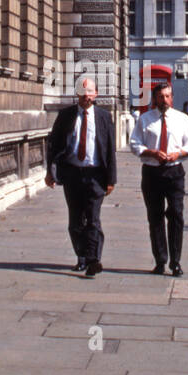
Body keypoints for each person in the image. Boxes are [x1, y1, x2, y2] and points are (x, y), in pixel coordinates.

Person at [45, 77, 116, 276]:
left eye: (90, 92)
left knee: (93, 219)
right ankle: (82, 257)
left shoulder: (103, 116)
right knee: (75, 222)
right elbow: (54, 145)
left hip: (95, 175)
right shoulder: (66, 115)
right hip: (72, 174)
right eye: (82, 92)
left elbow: (110, 149)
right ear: (77, 94)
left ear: (96, 94)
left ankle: (94, 260)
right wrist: (50, 172)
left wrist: (111, 179)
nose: (86, 95)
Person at [130, 82, 188, 275]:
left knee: (176, 215)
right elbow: (135, 144)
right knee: (155, 217)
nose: (165, 100)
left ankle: (175, 261)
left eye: (168, 96)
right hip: (152, 172)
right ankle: (160, 259)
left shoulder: (182, 119)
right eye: (161, 97)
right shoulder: (145, 120)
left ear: (172, 98)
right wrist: (151, 152)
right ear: (155, 99)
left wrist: (179, 154)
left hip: (174, 171)